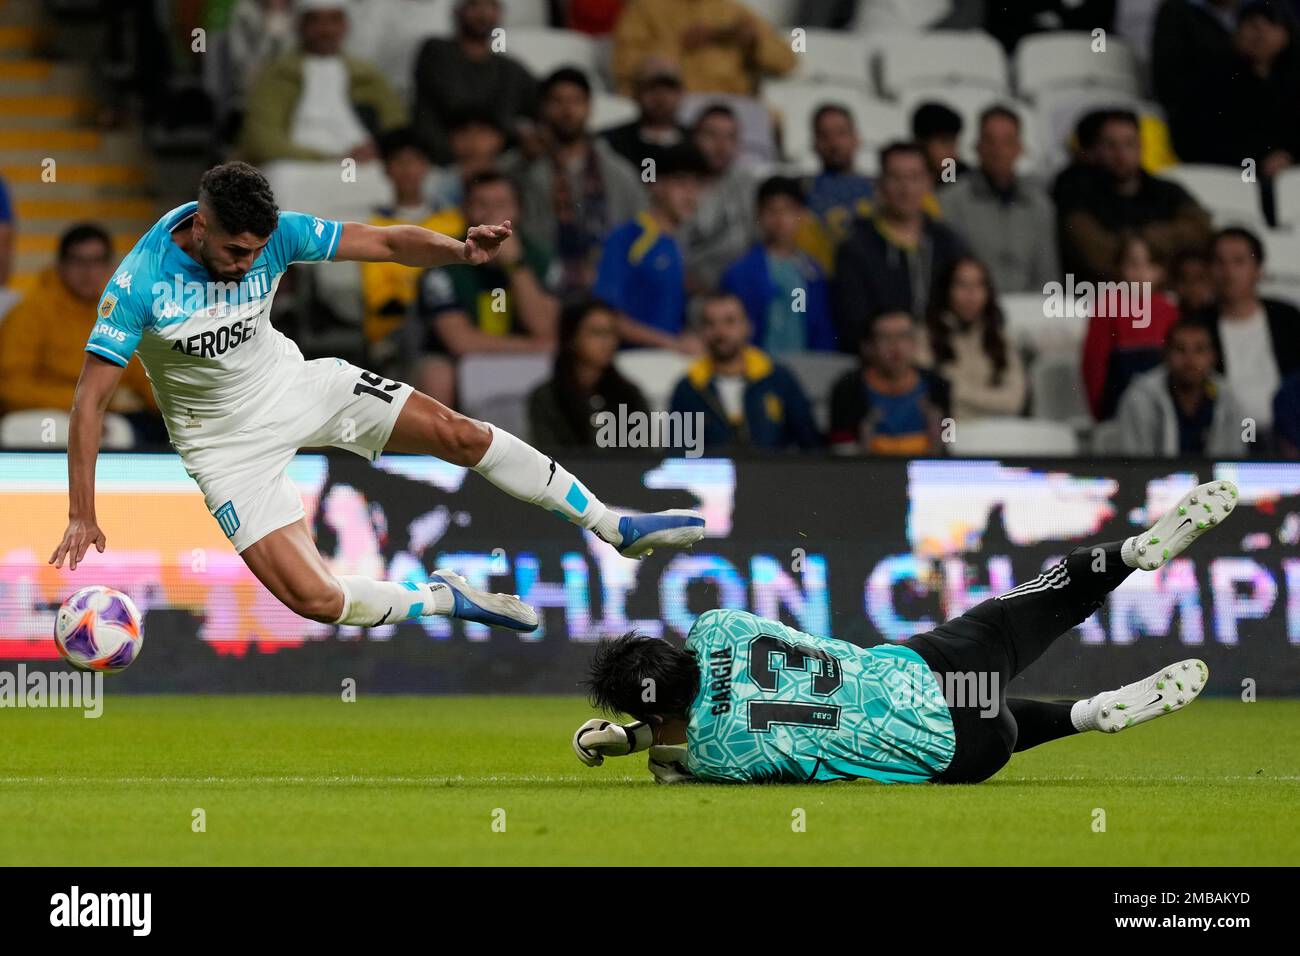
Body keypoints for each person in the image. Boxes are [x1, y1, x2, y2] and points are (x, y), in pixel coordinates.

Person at [50, 162, 705, 637]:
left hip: (298, 387)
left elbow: (386, 242)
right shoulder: (138, 284)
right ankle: (445, 600)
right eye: (234, 250)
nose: (248, 264)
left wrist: (459, 251)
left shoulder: (278, 234)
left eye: (257, 252)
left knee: (460, 434)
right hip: (222, 446)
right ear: (200, 225)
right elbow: (89, 404)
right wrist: (83, 512)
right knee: (316, 600)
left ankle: (612, 525)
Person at [571, 479, 1238, 784]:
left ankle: (1092, 715)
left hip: (969, 752)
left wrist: (636, 741)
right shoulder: (718, 627)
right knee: (1045, 596)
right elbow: (692, 699)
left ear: (654, 714)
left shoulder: (715, 755)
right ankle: (1129, 556)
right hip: (934, 666)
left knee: (985, 720)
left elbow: (678, 753)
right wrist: (644, 729)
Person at [411, 170, 559, 405]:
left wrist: (515, 265)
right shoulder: (443, 261)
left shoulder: (540, 258)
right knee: (435, 374)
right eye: (481, 204)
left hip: (529, 358)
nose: (491, 214)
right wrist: (532, 346)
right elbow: (459, 341)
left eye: (501, 205)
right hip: (459, 360)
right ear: (465, 209)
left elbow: (544, 327)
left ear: (519, 210)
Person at [0, 224, 158, 435]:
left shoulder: (121, 314)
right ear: (61, 265)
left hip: (106, 413)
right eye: (78, 261)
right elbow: (10, 388)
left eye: (96, 262)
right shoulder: (30, 313)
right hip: (45, 417)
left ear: (110, 267)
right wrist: (86, 403)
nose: (88, 271)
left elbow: (146, 377)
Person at [509, 67, 647, 297]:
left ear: (589, 108)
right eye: (557, 101)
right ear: (542, 107)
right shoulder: (520, 164)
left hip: (606, 288)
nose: (567, 110)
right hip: (535, 285)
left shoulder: (618, 172)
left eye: (576, 101)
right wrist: (523, 162)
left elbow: (640, 229)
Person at [832, 142, 968, 349]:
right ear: (880, 184)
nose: (906, 189)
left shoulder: (949, 243)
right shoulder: (855, 248)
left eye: (915, 178)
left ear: (928, 183)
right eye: (896, 178)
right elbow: (854, 324)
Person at [238, 0, 406, 165]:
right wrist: (332, 159)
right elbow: (262, 140)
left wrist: (376, 150)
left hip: (357, 167)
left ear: (345, 25)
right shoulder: (278, 74)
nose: (326, 30)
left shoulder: (368, 75)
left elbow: (397, 130)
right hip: (296, 165)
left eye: (334, 20)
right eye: (316, 21)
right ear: (300, 25)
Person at [1056, 110, 1211, 283]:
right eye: (1110, 145)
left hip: (1172, 294)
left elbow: (1201, 231)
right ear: (1093, 151)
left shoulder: (1167, 190)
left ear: (1141, 146)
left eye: (1129, 143)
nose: (1121, 154)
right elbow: (1097, 254)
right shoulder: (1075, 193)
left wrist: (1142, 242)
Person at [667, 292, 820, 450]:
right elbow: (677, 456)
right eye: (710, 323)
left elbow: (811, 446)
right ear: (702, 332)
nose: (720, 332)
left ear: (748, 327)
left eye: (730, 321)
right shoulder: (688, 389)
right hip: (712, 474)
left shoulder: (779, 380)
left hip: (771, 473)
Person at [361, 128, 466, 351]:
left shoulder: (454, 221)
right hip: (394, 331)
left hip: (448, 321)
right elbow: (379, 295)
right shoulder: (374, 226)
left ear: (427, 167)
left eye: (416, 161)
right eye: (399, 162)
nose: (408, 170)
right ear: (386, 169)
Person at [593, 144, 705, 351]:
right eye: (681, 183)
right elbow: (608, 316)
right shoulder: (627, 237)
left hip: (666, 363)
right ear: (655, 184)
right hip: (629, 363)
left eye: (696, 185)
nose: (690, 195)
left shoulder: (676, 245)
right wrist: (673, 344)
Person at [1191, 226, 1300, 436]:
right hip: (1224, 436)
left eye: (1239, 261)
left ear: (1259, 269)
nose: (1228, 272)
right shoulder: (1199, 322)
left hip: (1288, 435)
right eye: (1220, 262)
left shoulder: (1287, 318)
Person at [940, 105, 1059, 294]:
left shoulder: (1040, 206)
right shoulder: (950, 201)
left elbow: (1047, 274)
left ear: (1020, 149)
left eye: (1007, 142)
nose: (998, 150)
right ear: (977, 147)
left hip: (1030, 311)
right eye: (990, 141)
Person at [411, 0, 538, 164]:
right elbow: (450, 106)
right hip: (439, 160)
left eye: (491, 6)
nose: (483, 14)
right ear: (458, 11)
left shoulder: (510, 69)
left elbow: (543, 101)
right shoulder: (437, 53)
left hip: (500, 165)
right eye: (474, 5)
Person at [720, 176, 836, 354]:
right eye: (772, 211)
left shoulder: (813, 272)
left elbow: (820, 326)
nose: (780, 219)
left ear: (801, 215)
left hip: (807, 367)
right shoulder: (740, 272)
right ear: (759, 215)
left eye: (788, 210)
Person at [1112, 318, 1251, 458]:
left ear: (1212, 357)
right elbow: (1135, 467)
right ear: (1165, 355)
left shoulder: (1227, 399)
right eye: (1180, 349)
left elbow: (1233, 462)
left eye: (1199, 350)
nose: (1190, 359)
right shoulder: (1139, 399)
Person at [1080, 233, 1181, 421]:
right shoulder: (1107, 307)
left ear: (1162, 270)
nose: (1141, 272)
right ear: (1120, 267)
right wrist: (1100, 413)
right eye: (1133, 264)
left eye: (1150, 264)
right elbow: (1093, 366)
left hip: (1163, 413)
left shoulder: (1171, 310)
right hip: (1117, 411)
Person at [527, 299, 650, 448]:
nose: (608, 342)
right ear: (572, 338)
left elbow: (642, 458)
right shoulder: (547, 399)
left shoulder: (630, 396)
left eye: (612, 333)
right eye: (596, 333)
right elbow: (547, 456)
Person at [917, 256, 1027, 421]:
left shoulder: (1000, 338)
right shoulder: (924, 338)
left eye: (979, 286)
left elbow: (1014, 401)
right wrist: (993, 403)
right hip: (951, 433)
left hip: (999, 433)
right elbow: (932, 397)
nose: (971, 295)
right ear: (946, 290)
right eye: (962, 285)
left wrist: (958, 395)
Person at [612, 0, 796, 97]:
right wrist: (679, 44)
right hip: (671, 107)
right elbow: (624, 67)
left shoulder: (732, 10)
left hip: (733, 110)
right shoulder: (645, 7)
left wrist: (755, 43)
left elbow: (788, 62)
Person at [829, 310, 950, 455]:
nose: (895, 346)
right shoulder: (848, 389)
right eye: (885, 337)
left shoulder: (937, 385)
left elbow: (948, 445)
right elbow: (841, 453)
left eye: (903, 336)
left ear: (915, 343)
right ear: (868, 346)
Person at [680, 103, 755, 293]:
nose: (721, 146)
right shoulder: (674, 186)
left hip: (737, 294)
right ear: (694, 138)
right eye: (711, 135)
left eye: (730, 137)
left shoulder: (749, 186)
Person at [797, 104, 874, 276]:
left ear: (856, 139)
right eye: (824, 135)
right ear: (814, 143)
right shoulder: (800, 192)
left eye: (841, 133)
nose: (834, 143)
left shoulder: (881, 189)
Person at [601, 58, 689, 171]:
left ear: (681, 94)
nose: (660, 97)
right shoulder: (608, 145)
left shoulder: (698, 143)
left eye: (668, 89)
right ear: (635, 94)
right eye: (651, 88)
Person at [911, 101, 968, 189]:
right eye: (945, 143)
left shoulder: (966, 181)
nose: (952, 151)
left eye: (954, 143)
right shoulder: (899, 181)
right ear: (921, 143)